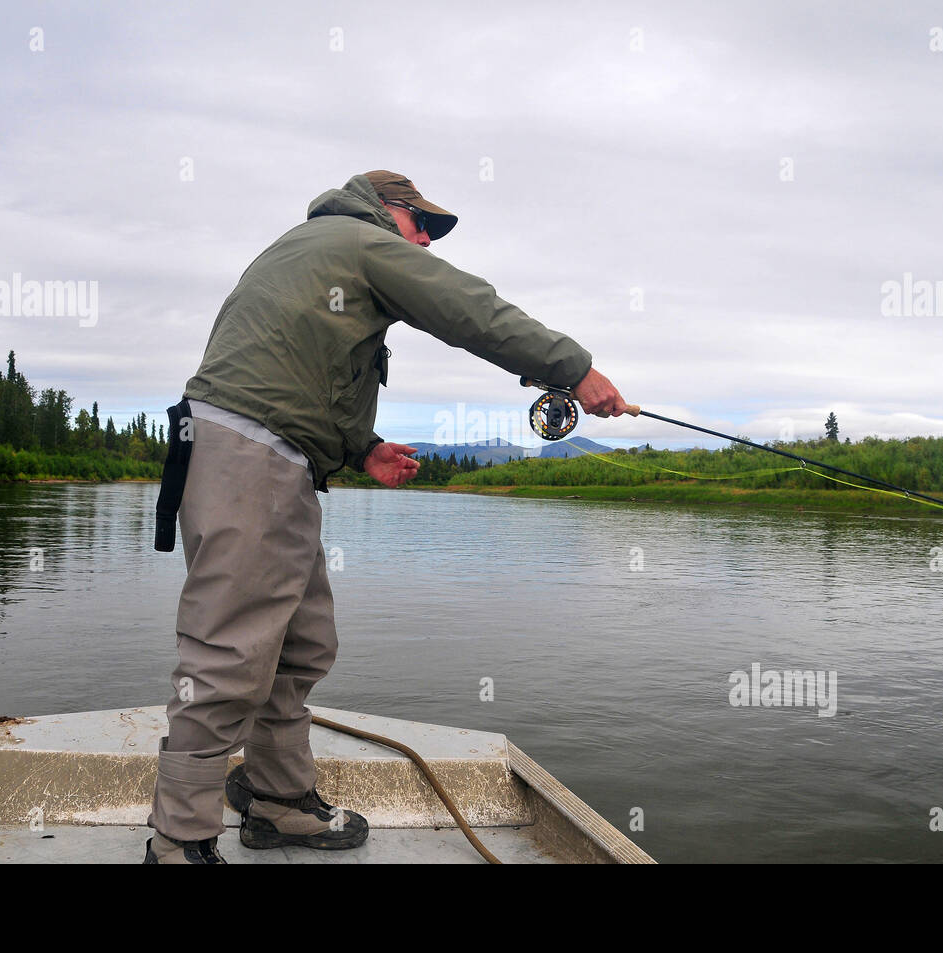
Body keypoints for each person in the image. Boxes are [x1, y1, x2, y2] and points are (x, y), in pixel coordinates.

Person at [145, 170, 627, 863]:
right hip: (249, 456)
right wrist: (574, 368)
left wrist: (362, 447)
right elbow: (467, 307)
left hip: (271, 456)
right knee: (226, 659)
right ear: (389, 210)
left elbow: (304, 367)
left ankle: (279, 800)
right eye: (423, 225)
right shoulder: (359, 240)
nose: (426, 241)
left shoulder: (314, 253)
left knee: (299, 643)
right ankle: (178, 842)